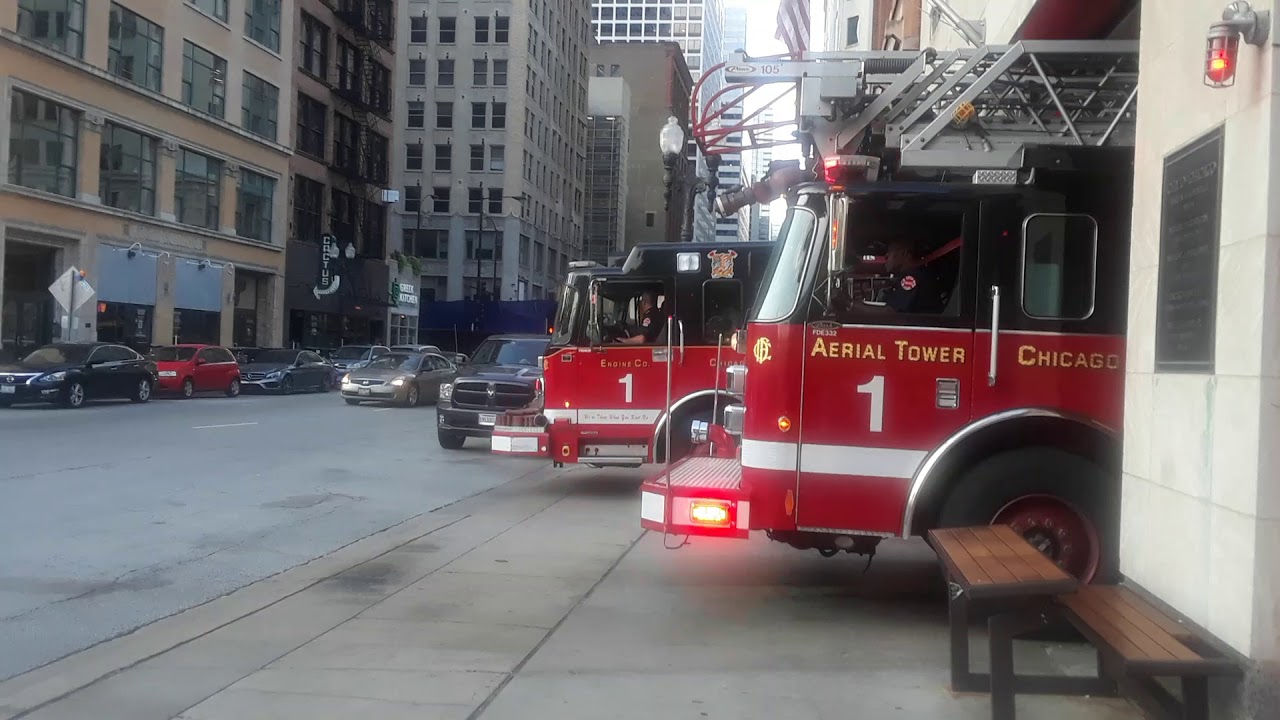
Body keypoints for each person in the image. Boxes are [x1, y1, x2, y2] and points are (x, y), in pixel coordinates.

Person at [874, 235, 945, 314]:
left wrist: (859, 310)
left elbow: (891, 312)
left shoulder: (911, 277)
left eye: (890, 251)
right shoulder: (919, 274)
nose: (886, 256)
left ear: (904, 253)